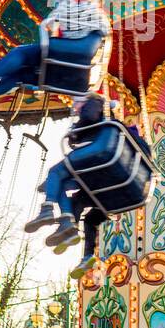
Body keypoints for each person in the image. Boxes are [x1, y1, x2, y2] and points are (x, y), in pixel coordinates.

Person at [0, 0, 111, 98]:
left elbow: (50, 23)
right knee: (22, 73)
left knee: (21, 54)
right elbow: (106, 32)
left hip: (59, 55)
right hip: (78, 77)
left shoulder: (69, 3)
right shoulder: (100, 15)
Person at [25, 95, 108, 249]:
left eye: (76, 103)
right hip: (93, 168)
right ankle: (66, 221)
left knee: (55, 172)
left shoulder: (94, 103)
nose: (75, 107)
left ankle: (47, 210)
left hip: (91, 154)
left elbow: (89, 117)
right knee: (60, 184)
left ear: (84, 100)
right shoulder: (99, 113)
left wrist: (75, 131)